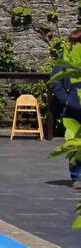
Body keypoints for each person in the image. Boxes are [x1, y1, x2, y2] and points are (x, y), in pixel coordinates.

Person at [50, 29, 81, 187]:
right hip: (73, 107)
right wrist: (66, 100)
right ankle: (77, 176)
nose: (75, 45)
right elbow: (55, 82)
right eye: (74, 42)